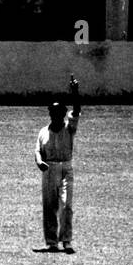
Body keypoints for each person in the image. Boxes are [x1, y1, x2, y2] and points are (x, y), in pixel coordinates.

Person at [35, 76, 81, 254]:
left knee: (66, 205)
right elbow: (38, 150)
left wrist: (75, 92)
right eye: (53, 113)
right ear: (50, 114)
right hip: (48, 170)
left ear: (63, 114)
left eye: (59, 113)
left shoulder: (69, 128)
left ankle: (67, 240)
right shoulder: (43, 132)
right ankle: (51, 242)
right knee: (49, 207)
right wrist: (39, 162)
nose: (56, 116)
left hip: (65, 169)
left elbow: (76, 110)